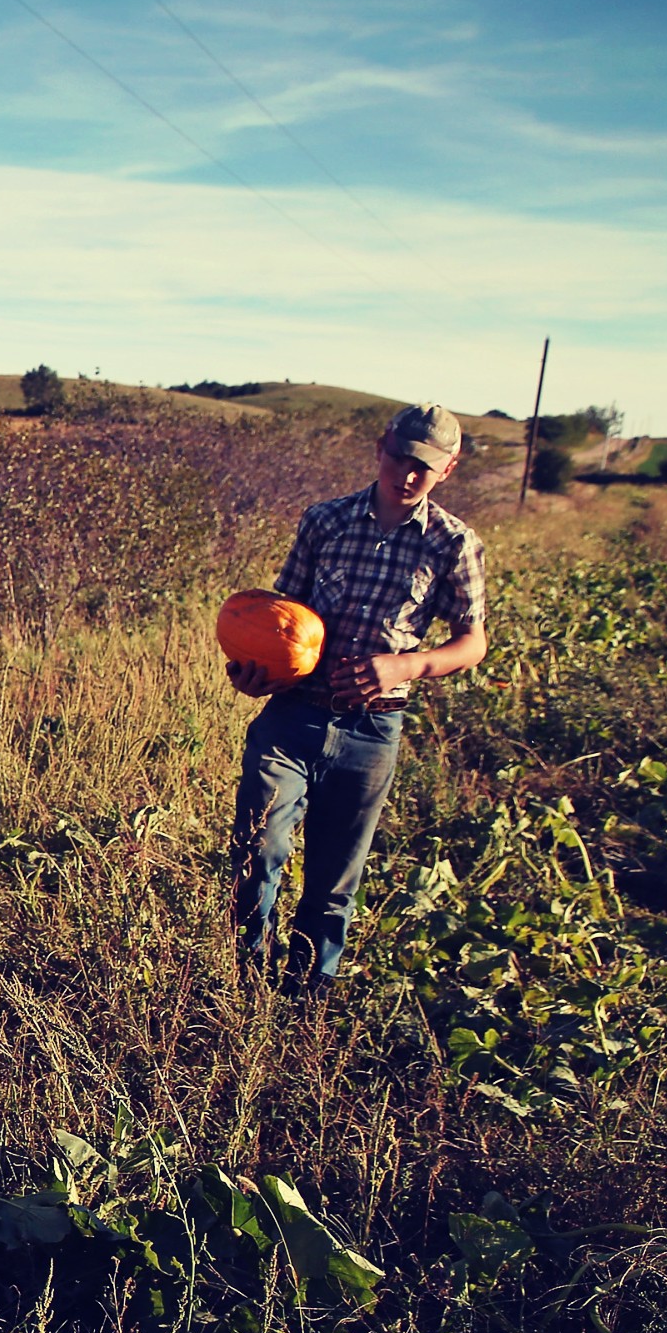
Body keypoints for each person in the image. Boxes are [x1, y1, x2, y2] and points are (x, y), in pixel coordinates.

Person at [228, 402, 489, 991]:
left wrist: (410, 664)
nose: (409, 475)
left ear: (447, 469)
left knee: (333, 878)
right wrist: (258, 670)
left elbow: (472, 642)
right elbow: (283, 615)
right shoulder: (326, 521)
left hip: (372, 732)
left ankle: (305, 1001)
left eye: (425, 466)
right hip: (293, 715)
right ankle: (247, 987)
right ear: (381, 447)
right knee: (257, 849)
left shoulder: (453, 545)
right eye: (400, 458)